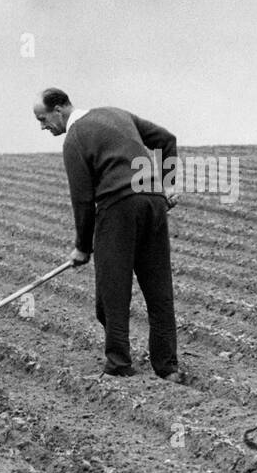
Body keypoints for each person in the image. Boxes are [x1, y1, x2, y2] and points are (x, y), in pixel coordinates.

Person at [33, 88, 185, 380]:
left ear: (59, 109)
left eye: (43, 119)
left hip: (118, 209)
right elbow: (167, 140)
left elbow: (82, 199)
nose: (43, 126)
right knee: (159, 292)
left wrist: (82, 247)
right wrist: (169, 185)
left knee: (111, 295)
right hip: (152, 202)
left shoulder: (74, 139)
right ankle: (168, 369)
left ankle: (119, 364)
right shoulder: (116, 113)